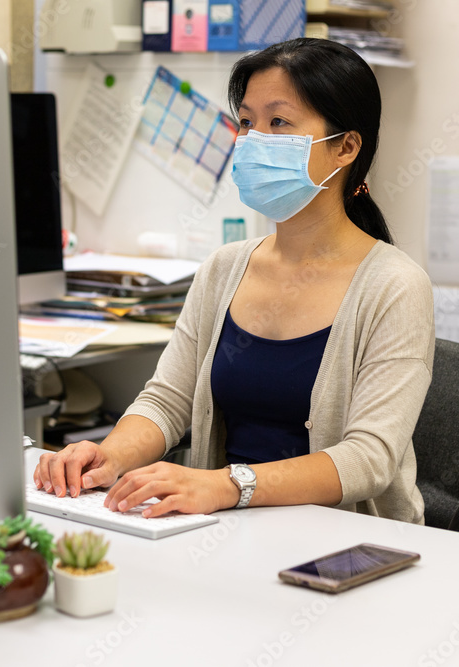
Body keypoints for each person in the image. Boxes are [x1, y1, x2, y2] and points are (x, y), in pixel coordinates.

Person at [34, 37, 434, 524]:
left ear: (345, 147)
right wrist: (110, 455)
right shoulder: (225, 268)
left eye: (278, 122)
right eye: (246, 122)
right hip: (221, 528)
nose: (252, 139)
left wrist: (228, 485)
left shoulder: (396, 286)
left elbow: (368, 459)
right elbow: (168, 399)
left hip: (346, 545)